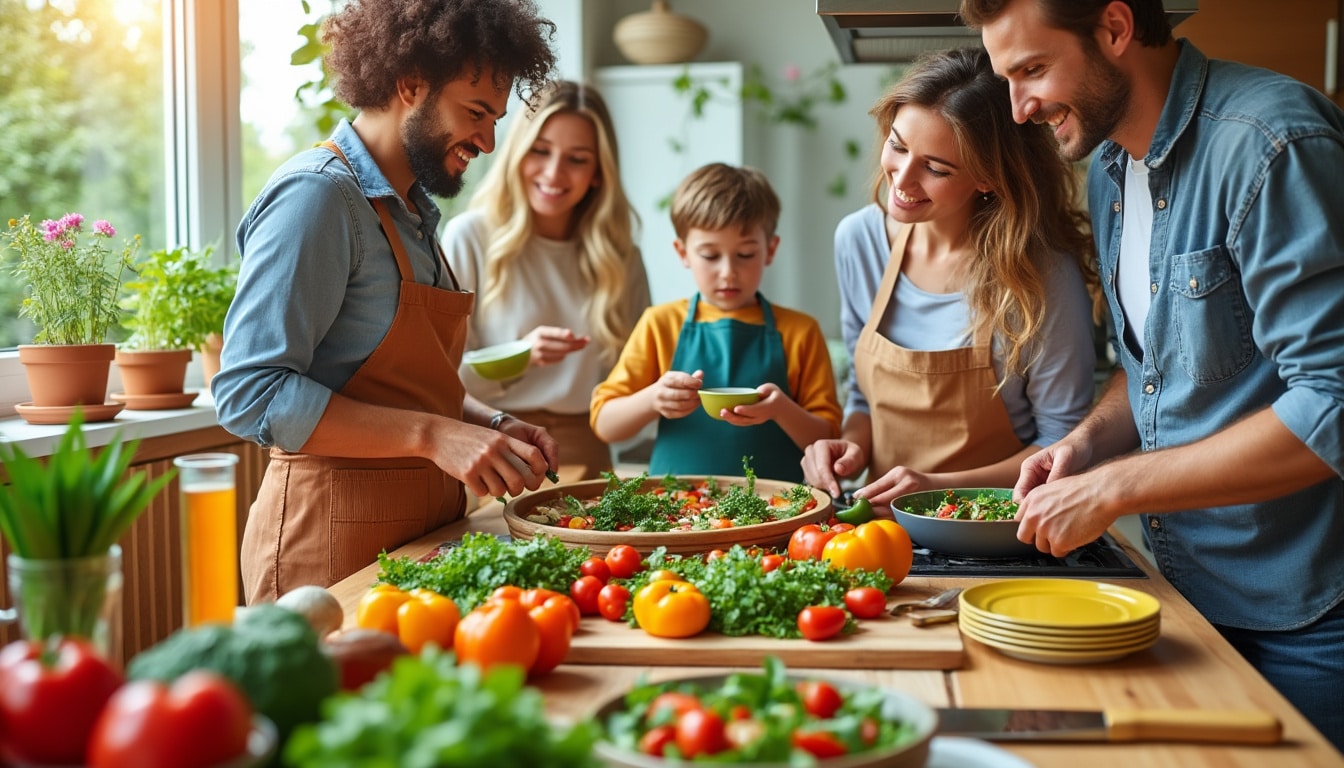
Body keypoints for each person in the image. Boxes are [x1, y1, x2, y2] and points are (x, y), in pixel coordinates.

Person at [961, 0, 1344, 750]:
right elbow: (1151, 369)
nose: (1020, 106)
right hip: (1185, 588)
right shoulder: (1108, 166)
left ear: (1114, 28)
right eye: (1008, 78)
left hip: (1309, 613)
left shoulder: (1272, 143)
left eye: (1032, 70)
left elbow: (1332, 406)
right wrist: (1086, 447)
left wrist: (1115, 488)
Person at [214, 0, 558, 603]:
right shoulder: (317, 198)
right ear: (409, 84)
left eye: (496, 118)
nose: (488, 139)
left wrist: (489, 425)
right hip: (327, 549)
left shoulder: (415, 215)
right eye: (476, 112)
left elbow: (399, 384)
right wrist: (435, 436)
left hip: (421, 537)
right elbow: (250, 393)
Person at [801, 46, 1099, 507]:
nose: (902, 179)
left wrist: (939, 487)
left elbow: (1063, 444)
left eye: (936, 168)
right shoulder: (859, 241)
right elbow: (863, 399)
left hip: (995, 530)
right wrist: (849, 447)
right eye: (898, 145)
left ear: (987, 178)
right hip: (879, 528)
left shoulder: (1040, 273)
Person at [442, 80, 650, 484]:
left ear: (597, 173)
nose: (554, 173)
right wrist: (520, 356)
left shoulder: (622, 259)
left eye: (577, 159)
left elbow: (637, 381)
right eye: (540, 151)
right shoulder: (469, 237)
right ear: (517, 153)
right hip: (493, 448)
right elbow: (441, 382)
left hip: (591, 452)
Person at [590, 163, 842, 483]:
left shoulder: (800, 331)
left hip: (776, 515)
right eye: (710, 256)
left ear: (770, 250)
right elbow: (605, 424)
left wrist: (781, 409)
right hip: (675, 515)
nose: (728, 272)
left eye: (746, 254)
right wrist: (653, 398)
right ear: (682, 253)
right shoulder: (659, 324)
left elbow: (827, 439)